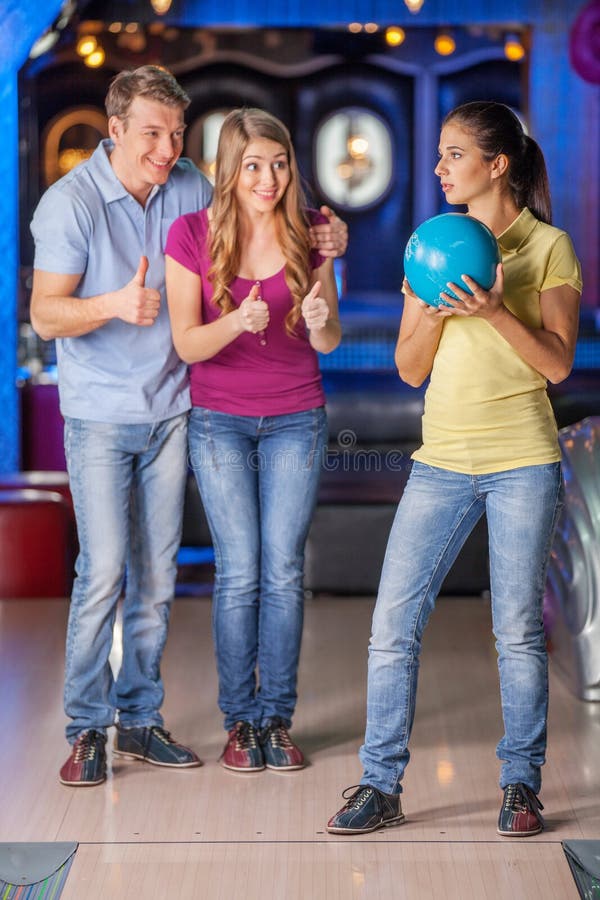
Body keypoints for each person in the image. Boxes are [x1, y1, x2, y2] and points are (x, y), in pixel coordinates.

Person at [29, 66, 347, 787]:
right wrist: (113, 304)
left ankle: (140, 717)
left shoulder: (191, 191)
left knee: (157, 577)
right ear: (115, 130)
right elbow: (45, 314)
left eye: (176, 134)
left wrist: (329, 241)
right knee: (105, 569)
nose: (167, 148)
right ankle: (87, 728)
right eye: (151, 133)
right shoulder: (69, 204)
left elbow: (251, 208)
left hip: (175, 410)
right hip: (103, 414)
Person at [327, 100, 582, 835]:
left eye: (453, 155)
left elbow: (557, 365)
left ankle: (521, 785)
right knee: (393, 626)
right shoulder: (430, 245)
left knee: (517, 631)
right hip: (441, 462)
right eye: (439, 156)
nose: (438, 168)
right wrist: (436, 312)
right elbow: (410, 370)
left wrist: (497, 311)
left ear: (496, 164)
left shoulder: (547, 247)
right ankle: (380, 784)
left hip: (524, 462)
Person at [165, 108, 341, 772]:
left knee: (285, 571)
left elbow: (327, 339)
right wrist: (238, 320)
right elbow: (187, 343)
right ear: (227, 170)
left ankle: (277, 720)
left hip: (298, 414)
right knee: (240, 573)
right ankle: (240, 723)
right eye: (253, 165)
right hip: (219, 422)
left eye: (278, 163)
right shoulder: (191, 234)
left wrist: (322, 318)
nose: (268, 178)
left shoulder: (310, 235)